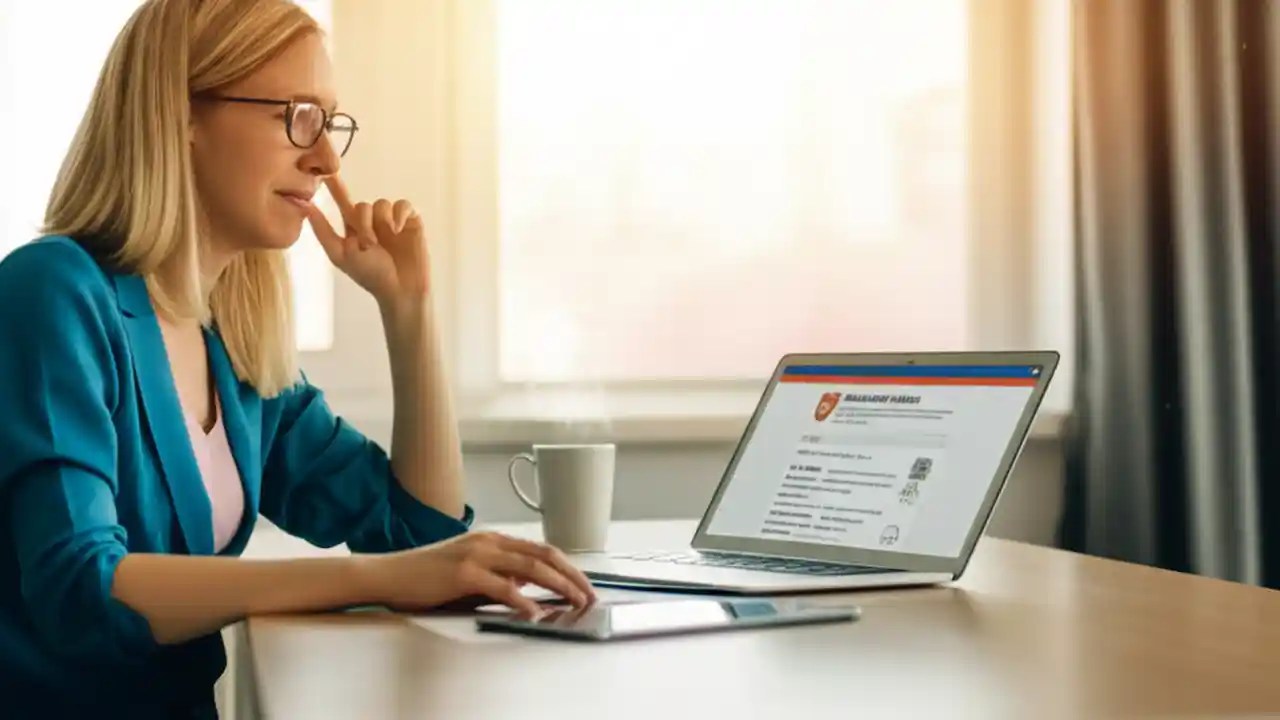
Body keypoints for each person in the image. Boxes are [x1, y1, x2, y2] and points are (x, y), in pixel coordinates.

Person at [0, 1, 595, 716]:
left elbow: (416, 532)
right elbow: (81, 590)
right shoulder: (54, 291)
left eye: (330, 122)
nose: (327, 158)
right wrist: (371, 579)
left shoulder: (235, 341)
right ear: (183, 114)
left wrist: (410, 313)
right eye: (297, 117)